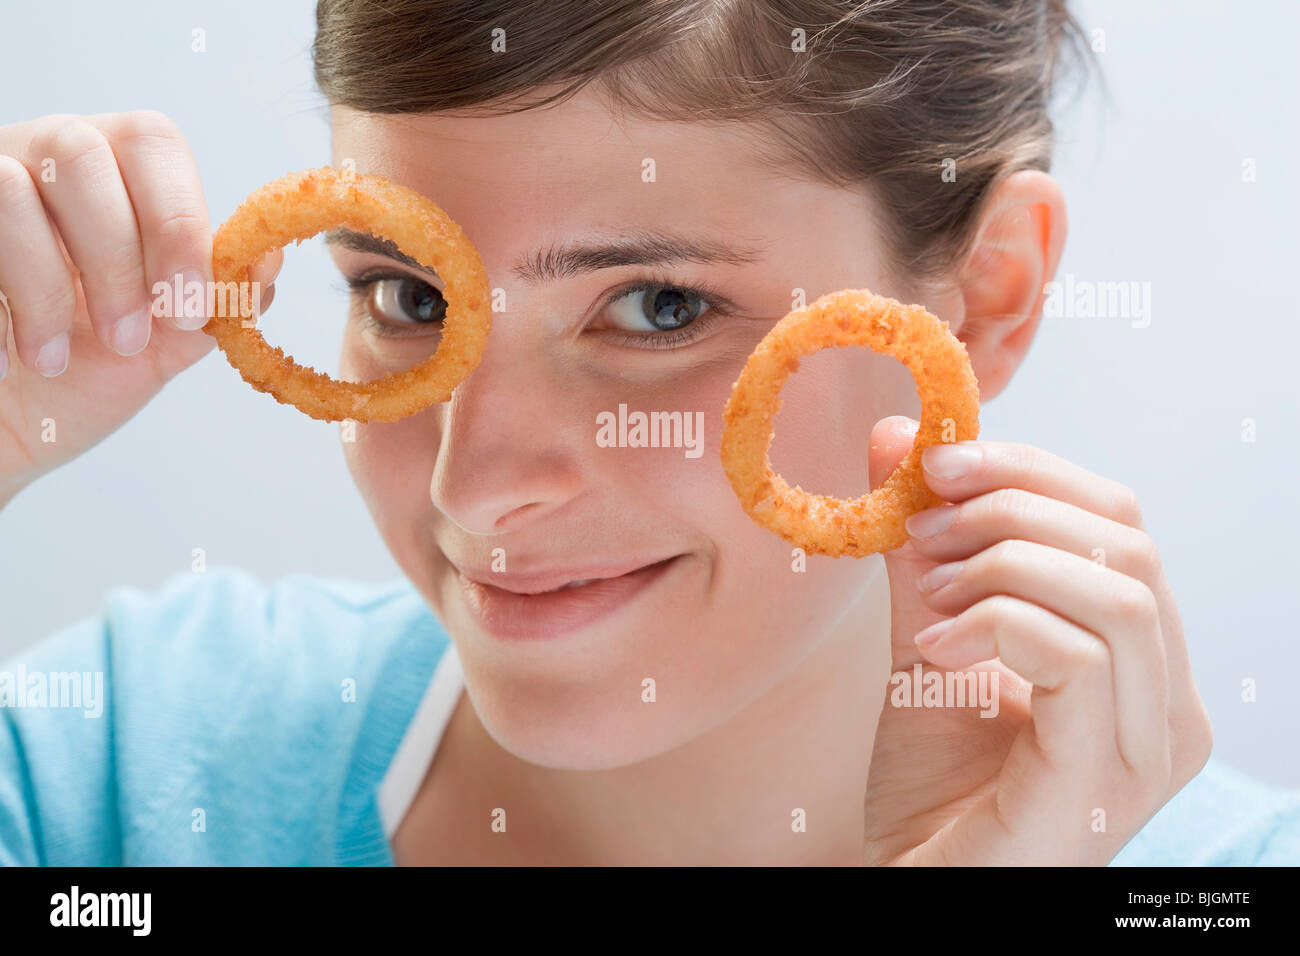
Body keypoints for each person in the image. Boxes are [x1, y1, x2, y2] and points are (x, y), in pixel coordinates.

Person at [1, 0, 1296, 866]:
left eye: (660, 307)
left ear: (984, 300)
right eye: (406, 298)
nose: (480, 486)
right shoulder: (118, 770)